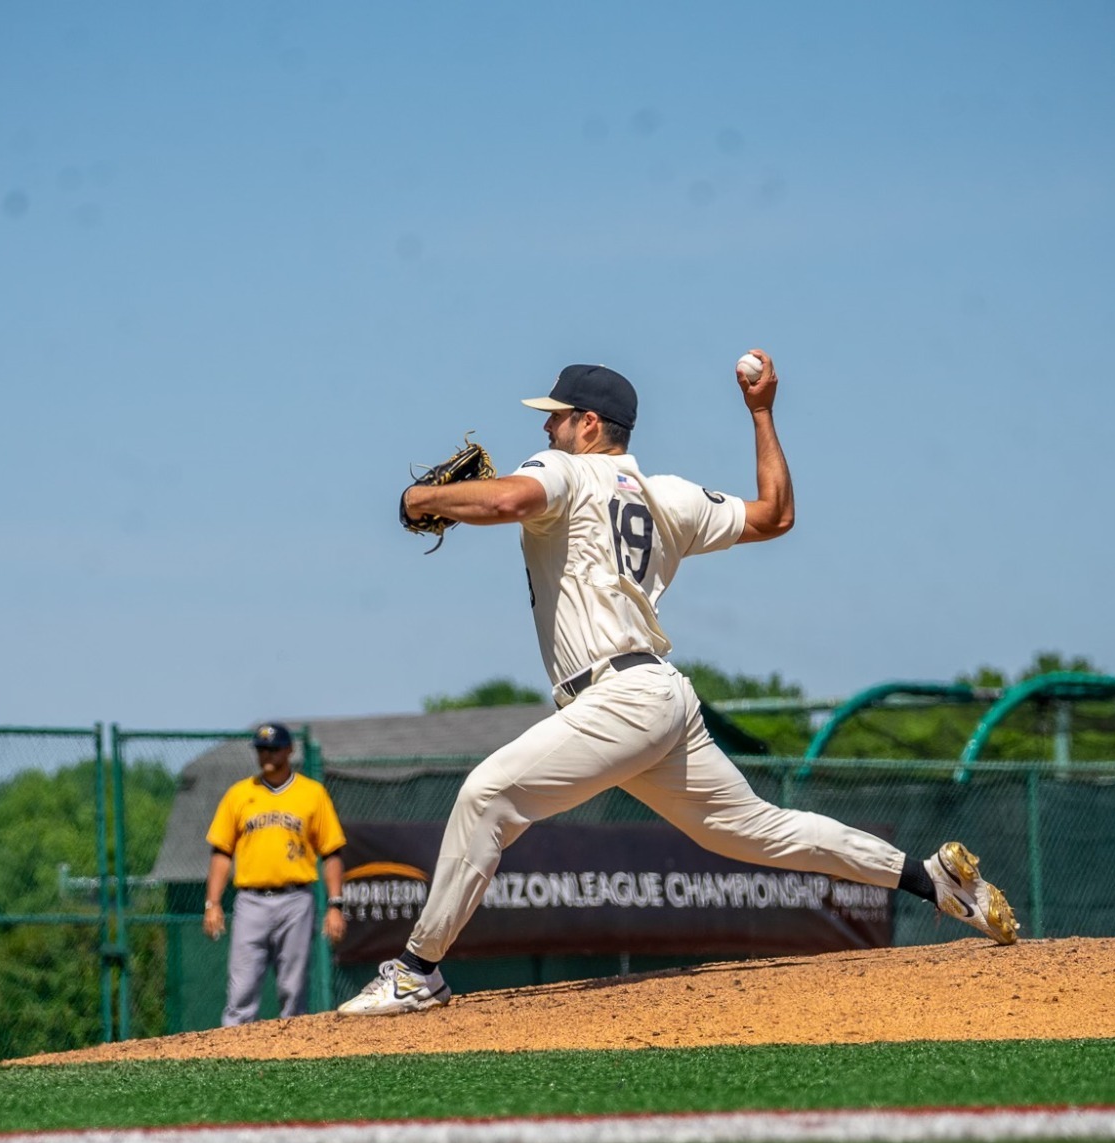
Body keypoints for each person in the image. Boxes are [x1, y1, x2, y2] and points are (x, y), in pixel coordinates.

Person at [340, 353, 1018, 1017]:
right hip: (658, 698)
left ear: (588, 424)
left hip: (617, 698)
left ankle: (417, 972)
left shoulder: (566, 469)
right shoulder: (669, 495)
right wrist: (762, 414)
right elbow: (776, 513)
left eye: (555, 419)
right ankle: (932, 880)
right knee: (761, 830)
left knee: (486, 795)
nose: (543, 432)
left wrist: (421, 498)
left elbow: (515, 496)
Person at [204, 722, 347, 1025]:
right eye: (261, 748)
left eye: (273, 747)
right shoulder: (239, 794)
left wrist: (335, 905)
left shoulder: (312, 793)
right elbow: (221, 852)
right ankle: (234, 1057)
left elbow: (332, 852)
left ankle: (293, 1057)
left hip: (296, 900)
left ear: (289, 749)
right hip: (250, 901)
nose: (266, 754)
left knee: (293, 990)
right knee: (241, 991)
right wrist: (212, 903)